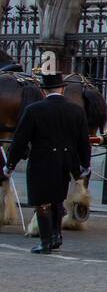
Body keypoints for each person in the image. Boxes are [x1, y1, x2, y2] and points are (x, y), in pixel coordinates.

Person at [3, 72, 90, 254]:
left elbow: (20, 141)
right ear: (63, 89)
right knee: (58, 198)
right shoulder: (76, 110)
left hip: (41, 161)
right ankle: (57, 235)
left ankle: (46, 241)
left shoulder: (34, 110)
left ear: (43, 91)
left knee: (42, 201)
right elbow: (84, 141)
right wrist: (84, 164)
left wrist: (9, 165)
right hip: (66, 161)